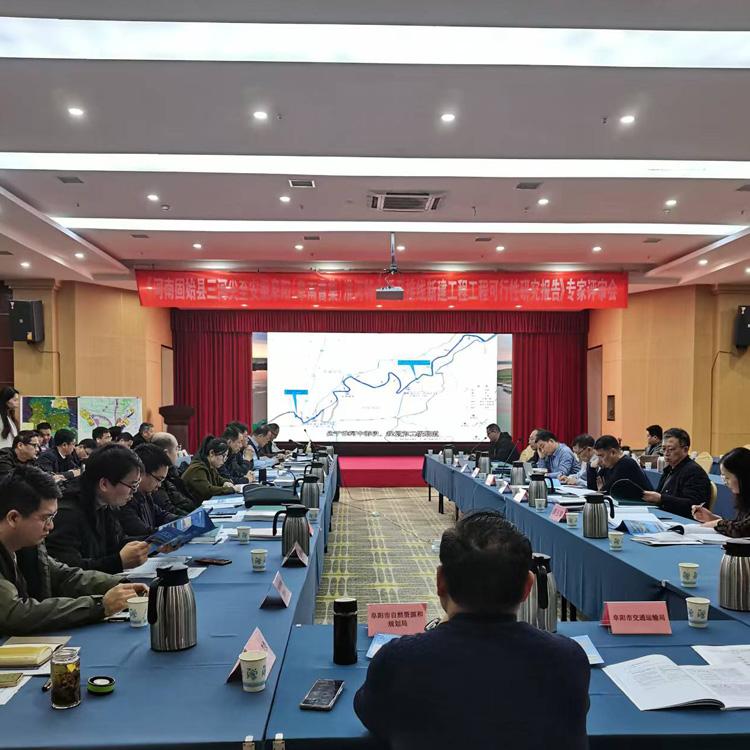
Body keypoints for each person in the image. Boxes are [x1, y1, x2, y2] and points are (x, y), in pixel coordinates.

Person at [354, 511, 590, 749]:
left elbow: (371, 715)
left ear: (440, 581)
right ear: (528, 587)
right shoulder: (568, 659)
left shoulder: (398, 660)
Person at [0, 465, 148, 635]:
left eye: (53, 517)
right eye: (45, 518)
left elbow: (65, 577)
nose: (51, 526)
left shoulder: (28, 546)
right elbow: (15, 614)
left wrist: (121, 585)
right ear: (13, 518)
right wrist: (99, 605)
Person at [45, 444, 150, 573]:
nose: (134, 492)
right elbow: (69, 573)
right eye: (132, 486)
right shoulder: (67, 513)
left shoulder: (105, 504)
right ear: (104, 484)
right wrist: (118, 562)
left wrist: (151, 543)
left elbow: (116, 543)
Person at [642, 428, 711, 518]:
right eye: (663, 449)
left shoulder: (694, 472)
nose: (666, 453)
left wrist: (661, 498)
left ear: (685, 450)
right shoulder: (669, 468)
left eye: (671, 449)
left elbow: (693, 505)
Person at [118, 444, 177, 539]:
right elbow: (142, 532)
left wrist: (184, 521)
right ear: (141, 473)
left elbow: (162, 515)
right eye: (158, 479)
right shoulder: (124, 500)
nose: (159, 485)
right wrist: (174, 531)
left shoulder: (146, 494)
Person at [693, 447, 750, 537]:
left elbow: (743, 529)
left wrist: (718, 523)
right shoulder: (745, 496)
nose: (725, 482)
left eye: (727, 477)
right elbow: (741, 523)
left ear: (743, 476)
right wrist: (712, 518)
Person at [150, 431, 198, 515]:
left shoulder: (172, 471)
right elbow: (168, 509)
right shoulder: (157, 477)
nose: (178, 453)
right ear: (166, 453)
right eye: (176, 449)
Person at [181, 436, 238, 504]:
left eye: (226, 457)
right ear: (211, 453)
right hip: (192, 507)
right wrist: (231, 489)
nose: (224, 460)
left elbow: (219, 479)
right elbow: (207, 491)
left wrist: (225, 482)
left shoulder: (210, 466)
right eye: (223, 456)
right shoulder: (197, 469)